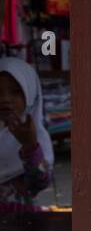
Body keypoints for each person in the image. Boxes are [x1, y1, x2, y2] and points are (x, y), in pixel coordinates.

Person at [0, 57, 54, 216]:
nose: (5, 99)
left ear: (30, 91)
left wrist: (30, 146)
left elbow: (39, 183)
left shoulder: (36, 136)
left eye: (15, 91)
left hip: (21, 226)